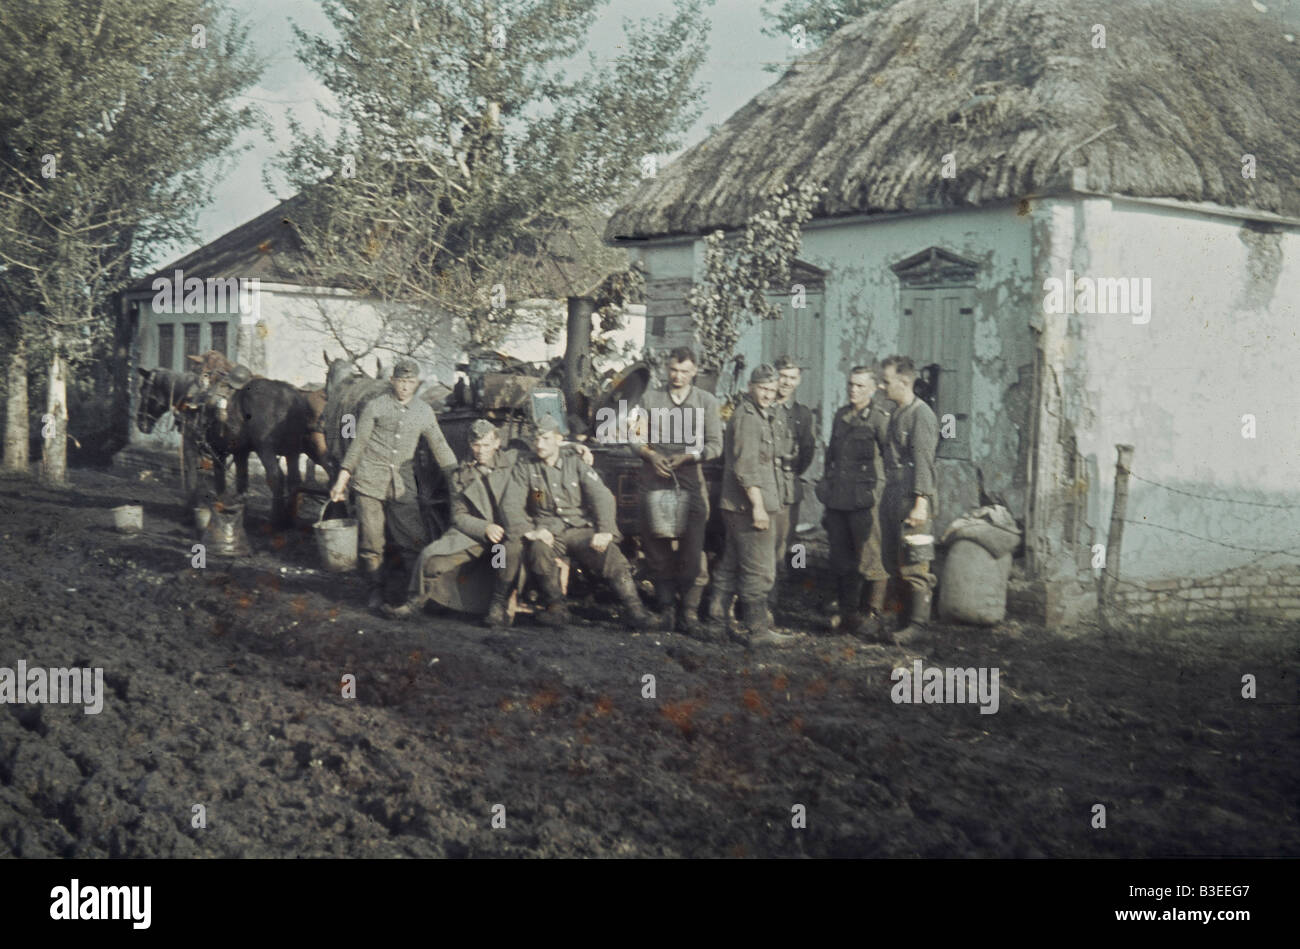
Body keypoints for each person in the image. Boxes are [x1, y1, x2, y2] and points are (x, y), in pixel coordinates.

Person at [329, 358, 457, 611]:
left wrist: (456, 476)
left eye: (410, 382)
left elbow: (440, 446)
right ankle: (375, 590)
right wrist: (342, 480)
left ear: (417, 383)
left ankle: (415, 595)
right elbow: (358, 445)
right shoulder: (375, 406)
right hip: (369, 481)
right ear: (392, 381)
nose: (405, 387)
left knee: (414, 539)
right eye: (401, 381)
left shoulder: (423, 411)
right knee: (372, 543)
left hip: (402, 485)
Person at [502, 415, 652, 630]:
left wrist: (606, 530)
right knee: (538, 549)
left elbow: (601, 496)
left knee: (609, 553)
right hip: (547, 531)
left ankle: (636, 610)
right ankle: (556, 608)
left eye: (545, 439)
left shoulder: (576, 463)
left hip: (578, 529)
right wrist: (530, 531)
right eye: (535, 440)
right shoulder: (526, 467)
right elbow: (511, 503)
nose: (539, 444)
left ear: (558, 439)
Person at [382, 419, 522, 627]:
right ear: (469, 444)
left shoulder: (513, 461)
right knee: (431, 558)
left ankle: (497, 606)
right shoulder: (461, 474)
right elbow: (458, 515)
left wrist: (577, 447)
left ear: (496, 443)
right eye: (476, 445)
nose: (480, 451)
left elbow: (546, 454)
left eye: (485, 445)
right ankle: (415, 603)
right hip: (478, 532)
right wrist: (484, 528)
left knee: (503, 555)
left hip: (509, 533)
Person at [630, 346, 723, 636]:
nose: (678, 376)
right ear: (666, 369)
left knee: (694, 549)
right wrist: (650, 455)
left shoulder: (706, 401)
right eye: (673, 370)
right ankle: (666, 608)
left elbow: (716, 445)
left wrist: (690, 457)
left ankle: (690, 613)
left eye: (684, 371)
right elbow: (635, 438)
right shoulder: (650, 398)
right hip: (655, 481)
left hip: (690, 482)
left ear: (694, 371)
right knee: (656, 549)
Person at [709, 364, 795, 647]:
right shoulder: (749, 419)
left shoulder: (758, 415)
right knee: (760, 570)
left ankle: (716, 622)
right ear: (750, 387)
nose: (768, 395)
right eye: (763, 389)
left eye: (772, 390)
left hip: (738, 506)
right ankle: (758, 632)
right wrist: (758, 507)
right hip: (748, 508)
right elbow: (746, 469)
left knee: (731, 564)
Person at [817, 364, 892, 637]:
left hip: (865, 500)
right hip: (838, 498)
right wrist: (825, 488)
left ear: (872, 390)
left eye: (860, 386)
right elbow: (831, 457)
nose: (853, 390)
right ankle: (848, 613)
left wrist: (881, 496)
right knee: (841, 558)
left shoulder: (880, 419)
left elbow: (891, 460)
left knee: (872, 558)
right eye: (851, 384)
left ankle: (872, 613)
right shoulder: (840, 416)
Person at [878, 355, 940, 643]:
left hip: (913, 498)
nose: (881, 386)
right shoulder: (896, 413)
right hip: (894, 495)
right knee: (895, 562)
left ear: (904, 382)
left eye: (886, 381)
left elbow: (924, 461)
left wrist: (921, 503)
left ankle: (918, 626)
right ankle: (903, 622)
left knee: (916, 563)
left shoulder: (921, 414)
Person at [770, 355, 816, 608]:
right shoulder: (762, 406)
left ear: (798, 381)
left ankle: (773, 603)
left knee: (783, 546)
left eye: (791, 378)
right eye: (782, 377)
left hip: (787, 489)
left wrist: (789, 473)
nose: (785, 383)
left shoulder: (803, 414)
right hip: (763, 486)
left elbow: (807, 452)